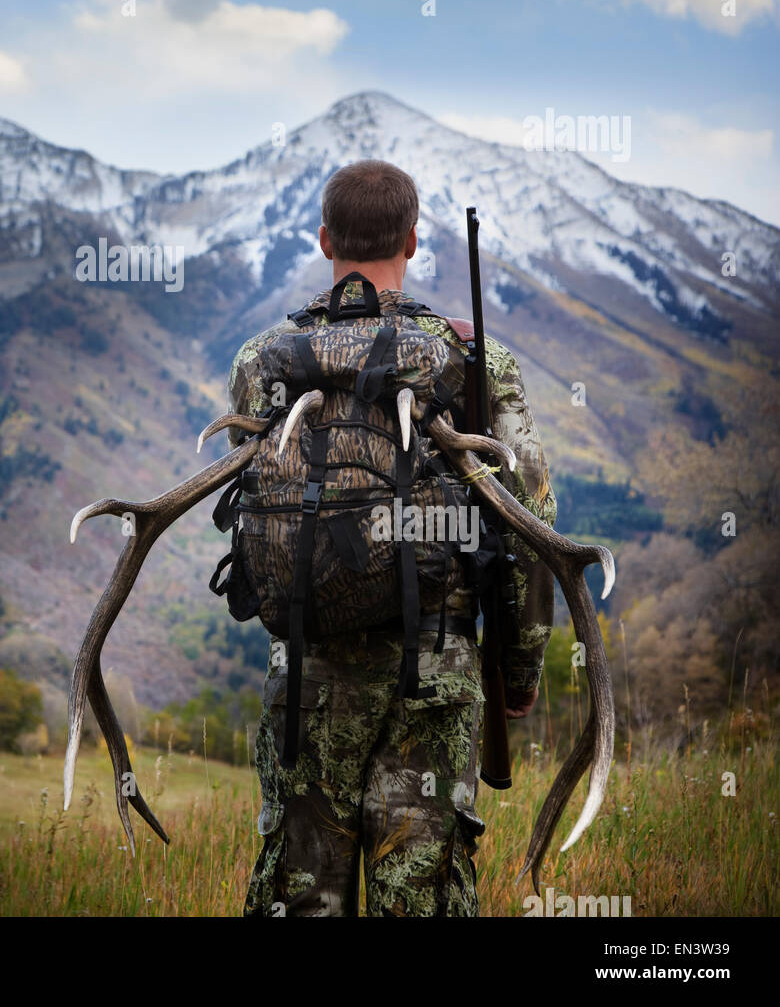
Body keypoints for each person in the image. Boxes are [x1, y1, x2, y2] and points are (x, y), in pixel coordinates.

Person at [228, 159, 556, 917]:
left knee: (299, 899)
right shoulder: (474, 364)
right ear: (413, 240)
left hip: (305, 679)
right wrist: (518, 671)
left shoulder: (261, 364)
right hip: (435, 681)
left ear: (321, 240)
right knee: (425, 900)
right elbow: (532, 530)